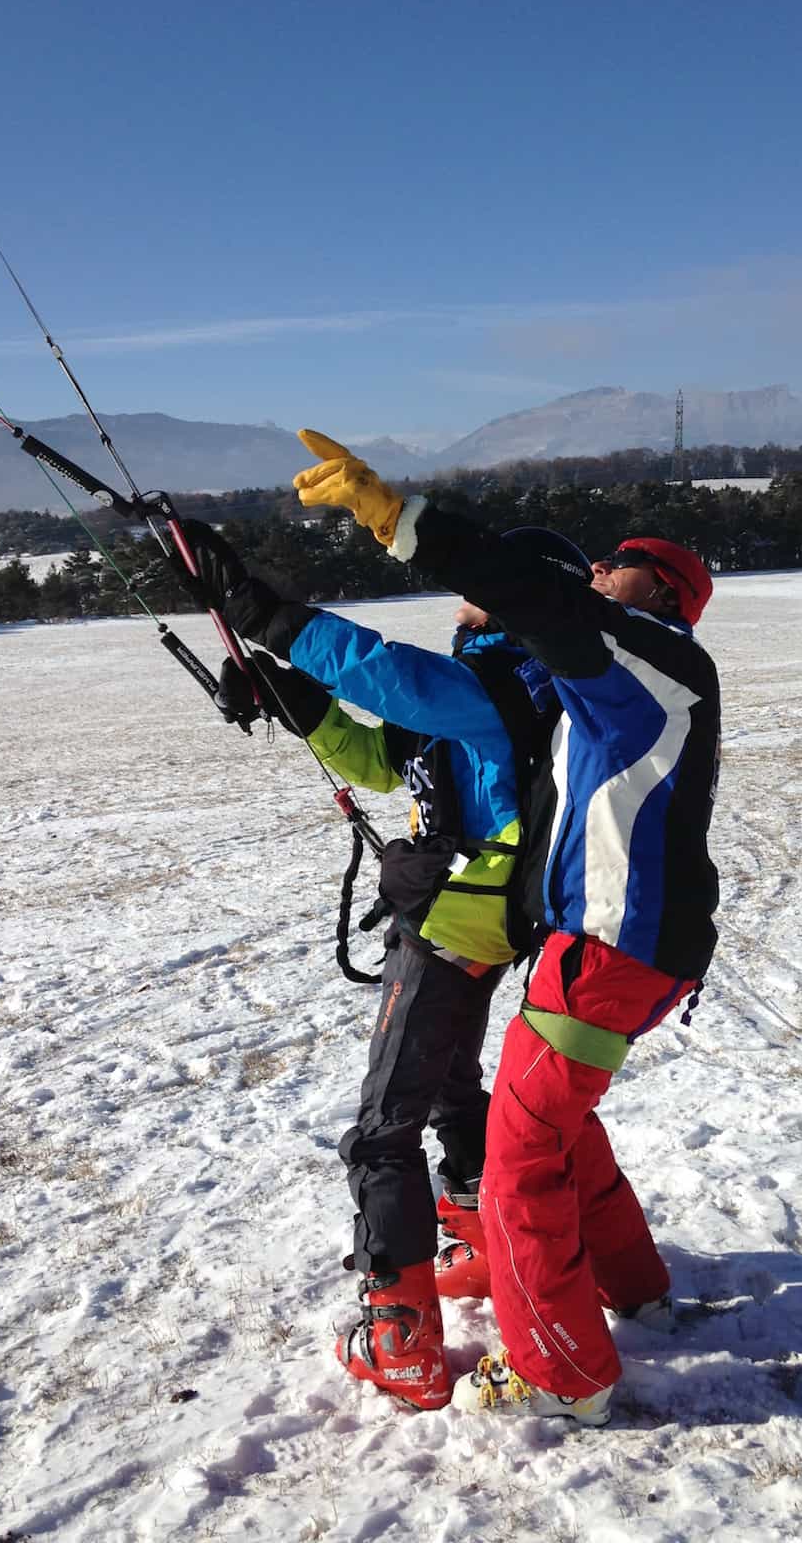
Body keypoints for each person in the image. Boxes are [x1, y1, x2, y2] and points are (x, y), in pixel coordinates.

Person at [285, 431, 721, 1428]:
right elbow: (420, 735)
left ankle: (563, 1371)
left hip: (610, 947)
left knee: (520, 1158)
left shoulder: (650, 662)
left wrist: (396, 521)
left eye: (621, 565)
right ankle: (634, 1280)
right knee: (553, 1125)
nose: (602, 568)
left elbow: (527, 614)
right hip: (612, 945)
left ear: (662, 593)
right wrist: (306, 707)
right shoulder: (604, 677)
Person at [193, 532, 580, 1410]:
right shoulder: (482, 688)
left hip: (456, 919)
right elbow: (384, 757)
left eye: (477, 593)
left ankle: (398, 1334)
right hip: (471, 914)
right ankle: (477, 1237)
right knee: (447, 1082)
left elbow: (382, 671)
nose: (461, 605)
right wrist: (295, 702)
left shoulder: (508, 678)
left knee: (381, 1128)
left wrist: (266, 616)